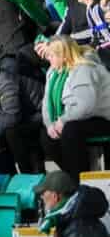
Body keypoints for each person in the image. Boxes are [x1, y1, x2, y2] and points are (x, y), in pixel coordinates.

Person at [39, 36, 110, 176]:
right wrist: (50, 125)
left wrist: (62, 121)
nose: (48, 59)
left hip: (102, 117)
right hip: (76, 118)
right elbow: (46, 103)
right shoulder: (53, 72)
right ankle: (73, 176)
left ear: (64, 56)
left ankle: (82, 181)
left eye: (51, 55)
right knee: (46, 137)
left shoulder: (85, 68)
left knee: (71, 130)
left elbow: (86, 106)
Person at [33, 170, 110, 237]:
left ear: (54, 196)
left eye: (42, 193)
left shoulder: (78, 230)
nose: (41, 197)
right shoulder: (70, 217)